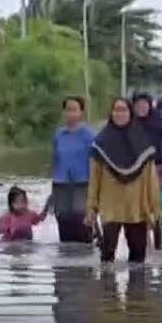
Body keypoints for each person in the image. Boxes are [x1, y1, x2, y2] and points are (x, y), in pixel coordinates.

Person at [86, 98, 162, 264]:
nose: (120, 114)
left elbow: (151, 180)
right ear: (111, 114)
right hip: (111, 208)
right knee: (107, 258)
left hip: (137, 208)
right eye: (116, 110)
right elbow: (94, 179)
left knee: (138, 259)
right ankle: (107, 290)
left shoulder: (143, 143)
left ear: (130, 113)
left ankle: (137, 291)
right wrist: (91, 209)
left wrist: (155, 209)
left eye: (124, 110)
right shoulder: (101, 144)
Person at [50, 96, 97, 244]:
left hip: (82, 184)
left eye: (74, 110)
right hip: (60, 184)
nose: (70, 113)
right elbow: (55, 160)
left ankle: (85, 260)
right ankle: (65, 261)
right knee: (63, 219)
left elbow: (94, 162)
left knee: (81, 219)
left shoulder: (89, 135)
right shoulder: (59, 135)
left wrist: (94, 189)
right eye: (67, 109)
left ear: (81, 112)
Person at [133, 92, 162, 249]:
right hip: (139, 172)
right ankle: (148, 252)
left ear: (150, 105)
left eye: (144, 104)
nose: (141, 108)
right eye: (137, 105)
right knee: (143, 213)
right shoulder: (130, 124)